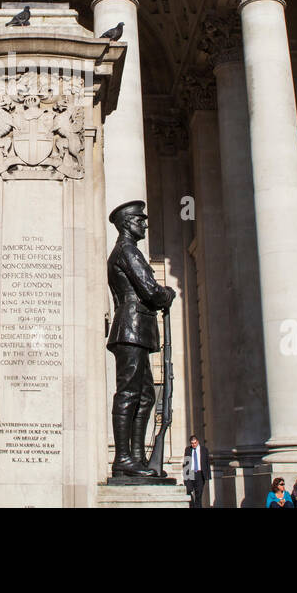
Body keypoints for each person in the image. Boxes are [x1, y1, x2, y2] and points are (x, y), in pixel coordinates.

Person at [105, 201, 175, 477]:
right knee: (130, 392)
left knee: (145, 395)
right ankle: (123, 457)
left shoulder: (128, 251)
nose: (144, 224)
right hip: (130, 328)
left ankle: (136, 457)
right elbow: (150, 290)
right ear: (127, 223)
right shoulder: (127, 251)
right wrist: (166, 293)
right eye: (139, 220)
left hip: (138, 330)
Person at [182, 435, 210, 508]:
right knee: (188, 490)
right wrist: (185, 475)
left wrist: (207, 475)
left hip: (200, 473)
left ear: (198, 442)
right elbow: (186, 462)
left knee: (199, 494)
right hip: (190, 473)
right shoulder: (188, 449)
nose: (193, 445)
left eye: (195, 443)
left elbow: (207, 462)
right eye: (192, 443)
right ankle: (192, 505)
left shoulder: (204, 450)